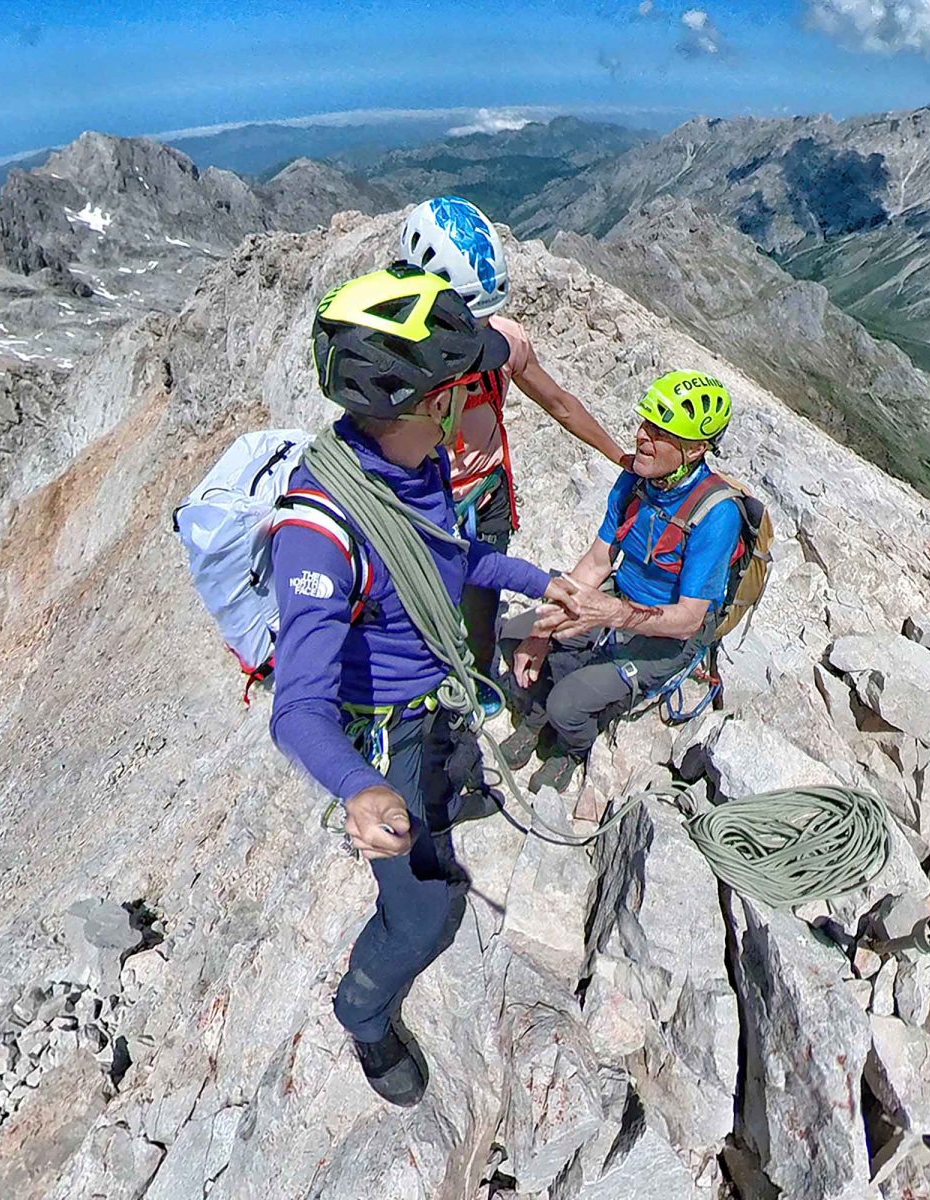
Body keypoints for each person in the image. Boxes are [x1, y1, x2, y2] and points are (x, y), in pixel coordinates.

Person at [269, 265, 581, 1107]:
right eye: (456, 387)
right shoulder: (319, 534)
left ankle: (450, 795)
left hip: (435, 702)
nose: (468, 400)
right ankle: (364, 1013)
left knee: (451, 780)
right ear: (421, 401)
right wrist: (361, 788)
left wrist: (537, 578)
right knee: (424, 916)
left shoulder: (419, 468)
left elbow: (454, 558)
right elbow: (296, 708)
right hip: (384, 735)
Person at [399, 196, 633, 695]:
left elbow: (559, 402)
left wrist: (619, 456)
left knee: (481, 600)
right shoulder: (393, 359)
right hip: (424, 499)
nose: (477, 332)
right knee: (423, 601)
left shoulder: (505, 342)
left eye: (483, 319)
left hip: (485, 491)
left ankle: (477, 676)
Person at [499, 371, 741, 794]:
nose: (642, 437)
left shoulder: (717, 514)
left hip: (666, 636)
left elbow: (687, 620)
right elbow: (596, 561)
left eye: (660, 431)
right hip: (620, 600)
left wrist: (610, 613)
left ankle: (572, 746)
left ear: (696, 449)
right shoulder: (636, 482)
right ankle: (538, 716)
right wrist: (543, 630)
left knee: (568, 704)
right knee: (517, 635)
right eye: (645, 423)